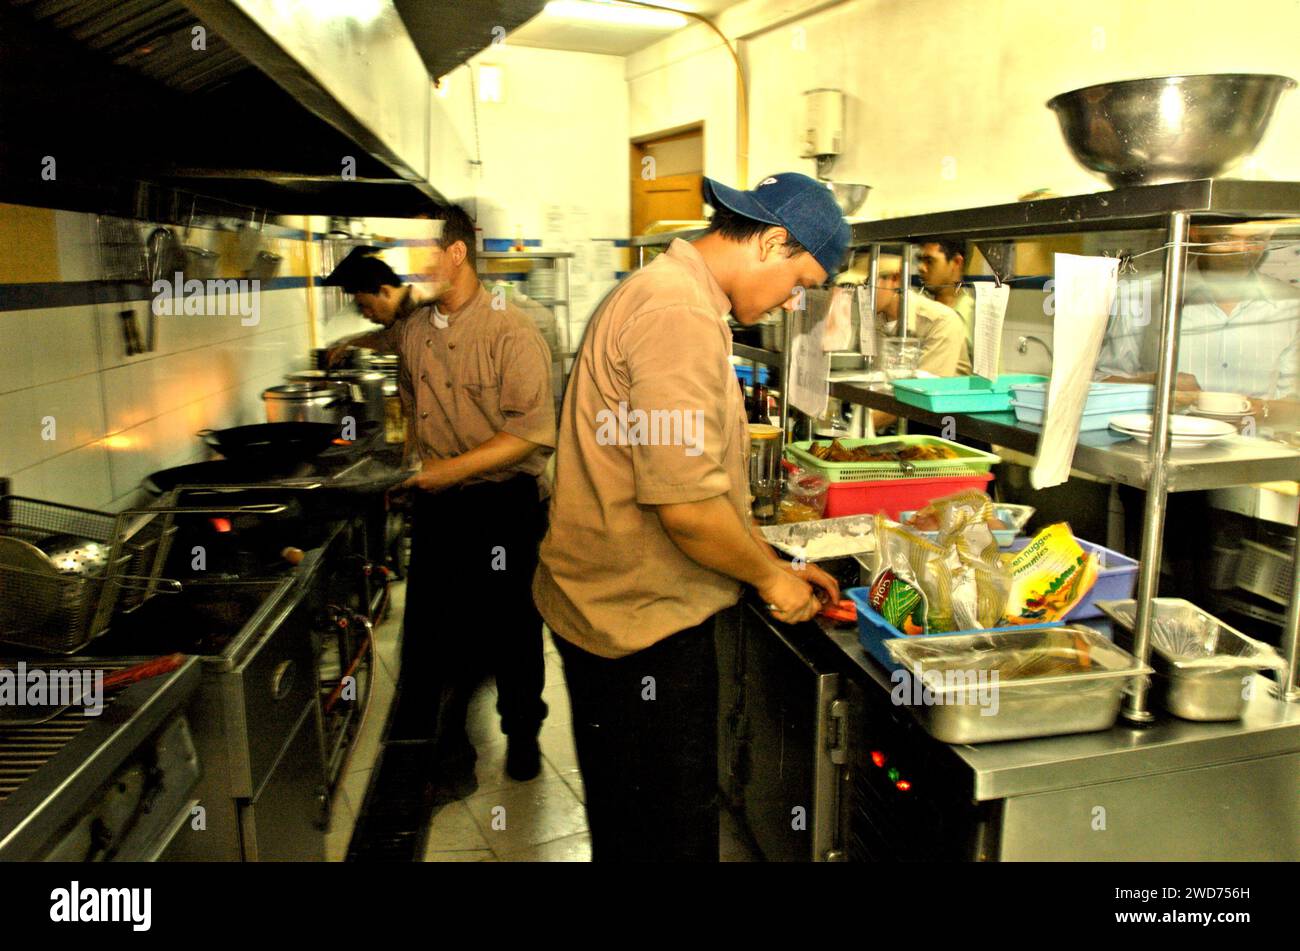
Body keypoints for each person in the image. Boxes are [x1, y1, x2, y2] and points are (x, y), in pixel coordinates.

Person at [532, 172, 846, 861]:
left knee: (629, 819)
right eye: (801, 281)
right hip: (637, 622)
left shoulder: (669, 294)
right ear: (771, 241)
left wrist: (777, 561)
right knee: (667, 831)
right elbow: (687, 508)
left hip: (610, 603)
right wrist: (774, 580)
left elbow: (693, 485)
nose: (793, 300)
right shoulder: (678, 313)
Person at [391, 203, 556, 794]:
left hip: (503, 505)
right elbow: (413, 411)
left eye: (419, 254)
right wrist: (415, 473)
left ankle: (523, 733)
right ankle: (450, 748)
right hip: (439, 506)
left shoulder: (511, 329)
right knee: (435, 634)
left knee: (513, 628)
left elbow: (532, 433)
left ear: (455, 253)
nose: (408, 269)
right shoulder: (412, 332)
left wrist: (447, 471)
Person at [1097, 224, 1300, 406]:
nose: (1241, 249)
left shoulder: (1290, 305)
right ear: (1196, 234)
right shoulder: (1143, 296)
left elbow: (1292, 399)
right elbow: (1099, 384)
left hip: (1255, 443)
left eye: (1255, 239)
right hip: (1169, 441)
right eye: (1226, 239)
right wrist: (1155, 382)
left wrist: (1257, 411)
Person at [870, 253, 972, 432]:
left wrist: (862, 426)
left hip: (948, 433)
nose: (858, 294)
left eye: (866, 285)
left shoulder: (941, 321)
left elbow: (917, 396)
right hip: (903, 429)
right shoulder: (875, 322)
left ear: (895, 280)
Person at [321, 246, 430, 365]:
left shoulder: (422, 313)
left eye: (367, 306)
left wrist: (348, 343)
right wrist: (348, 343)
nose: (366, 315)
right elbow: (385, 337)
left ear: (385, 291)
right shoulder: (405, 313)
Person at [917, 237, 976, 355]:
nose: (921, 268)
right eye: (920, 260)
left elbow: (993, 371)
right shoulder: (921, 310)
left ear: (956, 262)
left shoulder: (974, 317)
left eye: (930, 261)